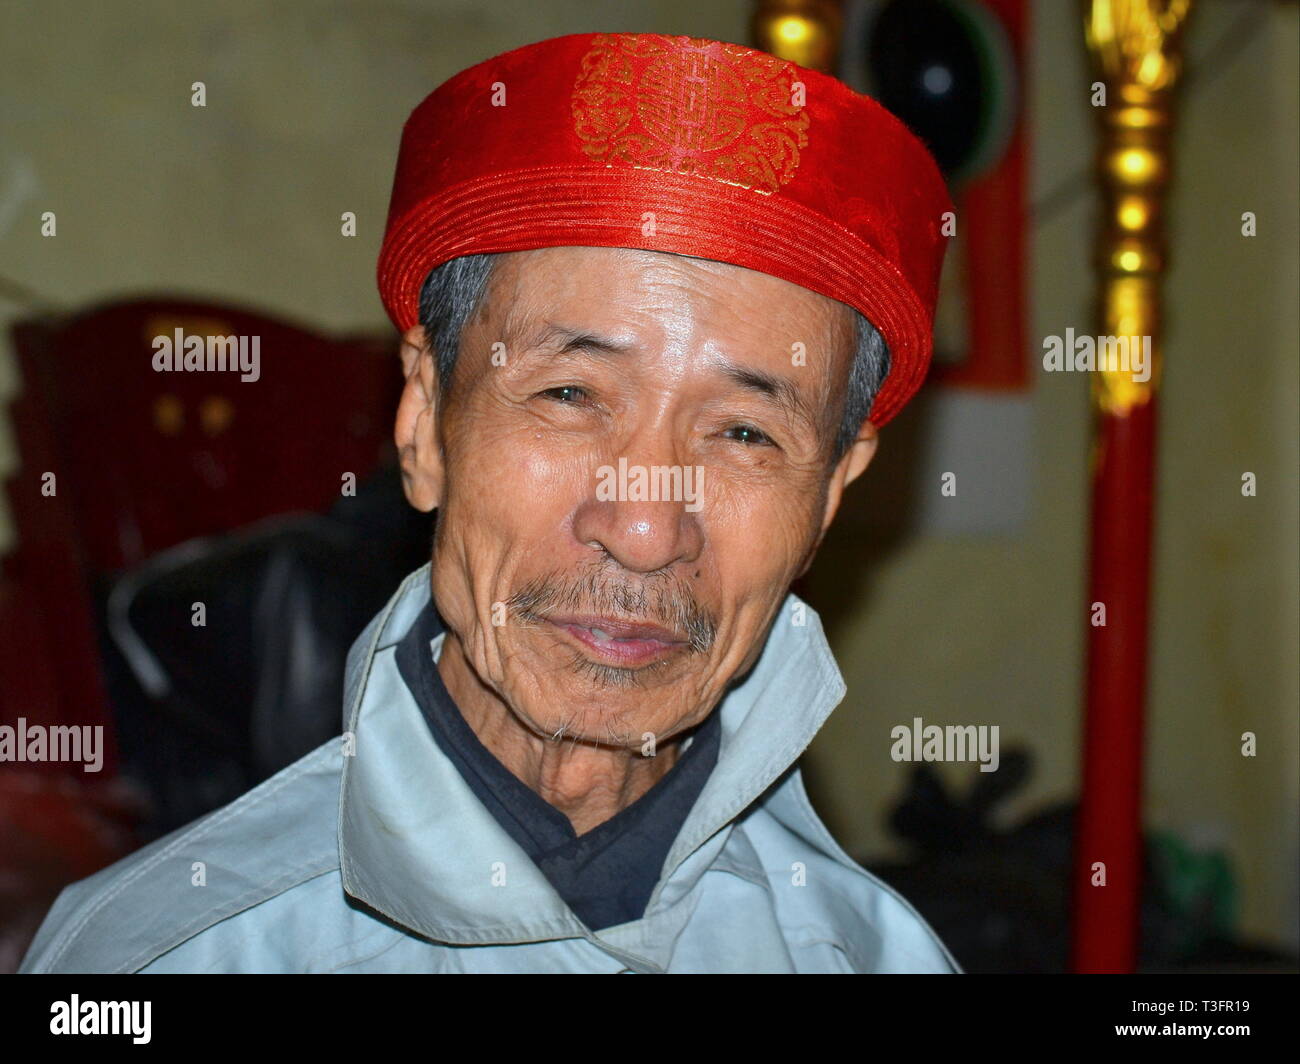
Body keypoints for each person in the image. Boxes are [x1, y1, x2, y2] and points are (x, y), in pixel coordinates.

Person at [23, 31, 958, 973]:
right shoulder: (169, 958)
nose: (643, 530)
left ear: (829, 499)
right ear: (426, 424)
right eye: (569, 397)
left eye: (746, 435)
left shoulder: (872, 958)